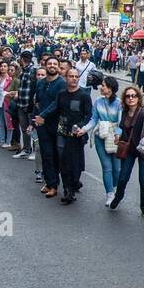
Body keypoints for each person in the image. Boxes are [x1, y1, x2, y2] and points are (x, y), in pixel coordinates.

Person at [111, 84, 144, 216]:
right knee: (123, 177)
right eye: (128, 96)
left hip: (143, 149)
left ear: (138, 97)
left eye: (133, 95)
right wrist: (117, 134)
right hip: (128, 149)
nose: (131, 98)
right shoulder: (123, 112)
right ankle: (118, 197)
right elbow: (120, 126)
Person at [54, 66, 92, 205]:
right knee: (63, 161)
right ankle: (67, 190)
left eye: (76, 76)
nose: (74, 79)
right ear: (66, 78)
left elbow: (89, 115)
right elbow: (55, 110)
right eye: (71, 76)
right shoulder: (61, 94)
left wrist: (81, 126)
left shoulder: (84, 96)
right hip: (62, 132)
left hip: (76, 135)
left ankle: (75, 182)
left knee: (75, 163)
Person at [32, 56, 64, 197]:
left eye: (54, 64)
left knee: (54, 155)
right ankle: (49, 182)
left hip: (55, 123)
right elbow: (37, 102)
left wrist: (43, 116)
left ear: (58, 67)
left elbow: (56, 104)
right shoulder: (40, 83)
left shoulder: (61, 84)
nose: (51, 65)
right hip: (41, 124)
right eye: (49, 63)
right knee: (45, 154)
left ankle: (54, 184)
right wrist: (35, 120)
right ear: (45, 65)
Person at [90, 76, 122, 206]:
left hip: (115, 137)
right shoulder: (98, 101)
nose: (101, 87)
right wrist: (83, 129)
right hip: (101, 135)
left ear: (110, 88)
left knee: (117, 168)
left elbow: (121, 123)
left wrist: (118, 135)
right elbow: (93, 119)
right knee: (106, 167)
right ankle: (109, 193)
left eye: (103, 85)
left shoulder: (119, 103)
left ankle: (114, 189)